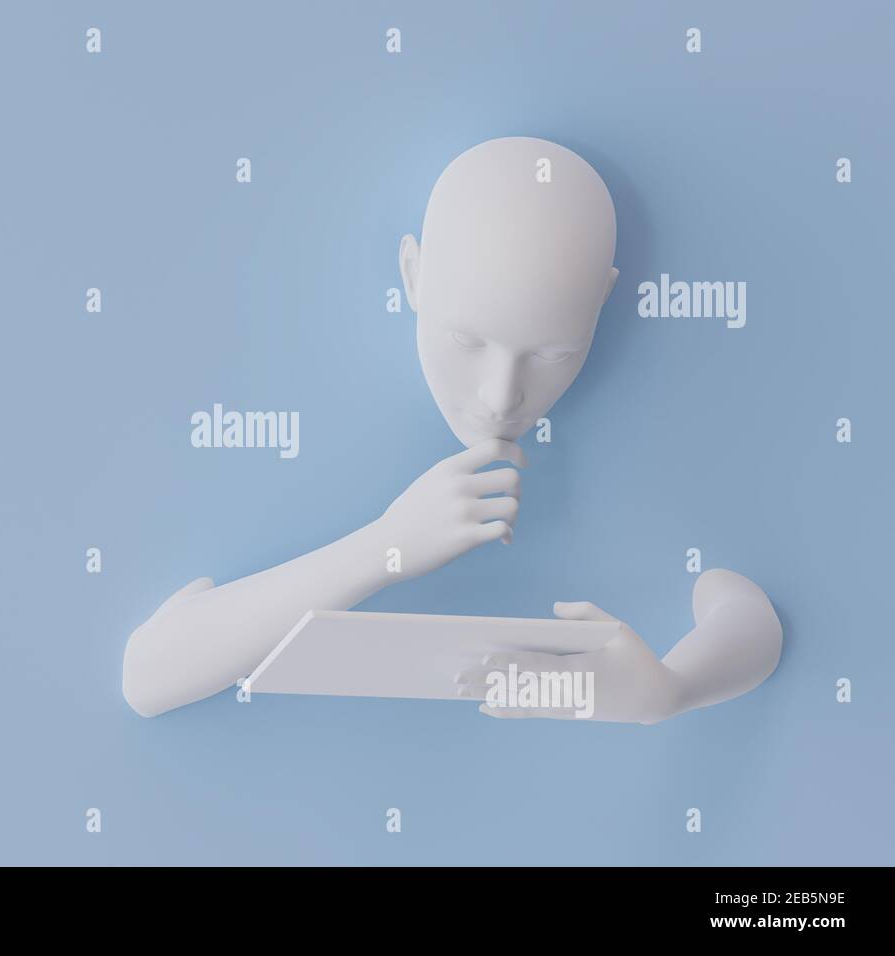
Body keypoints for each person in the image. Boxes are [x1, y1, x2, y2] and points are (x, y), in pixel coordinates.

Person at [122, 137, 781, 723]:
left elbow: (754, 621)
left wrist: (670, 692)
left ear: (602, 300)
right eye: (466, 339)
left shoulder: (682, 465)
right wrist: (386, 544)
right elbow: (148, 676)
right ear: (413, 273)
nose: (501, 397)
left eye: (552, 353)